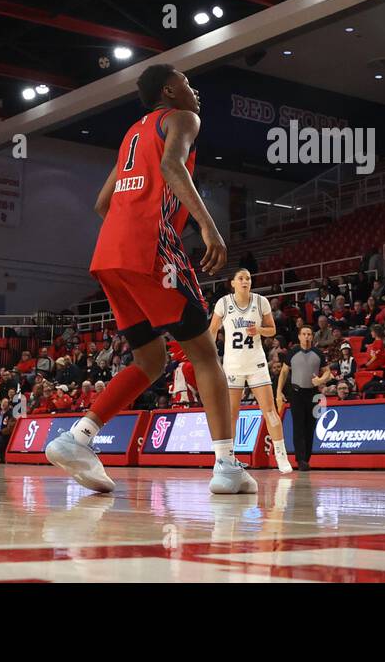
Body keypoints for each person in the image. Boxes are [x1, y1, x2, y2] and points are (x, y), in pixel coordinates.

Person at [46, 64, 254, 495]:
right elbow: (172, 166)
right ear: (169, 90)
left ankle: (77, 439)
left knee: (151, 360)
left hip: (109, 253)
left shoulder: (131, 134)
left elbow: (104, 203)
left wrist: (132, 225)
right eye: (187, 82)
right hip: (149, 249)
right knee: (204, 354)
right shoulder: (182, 118)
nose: (193, 90)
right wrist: (208, 227)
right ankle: (227, 465)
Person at [208, 268, 291, 474]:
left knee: (270, 411)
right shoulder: (224, 303)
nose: (245, 281)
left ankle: (281, 455)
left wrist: (260, 330)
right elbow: (212, 331)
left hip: (256, 364)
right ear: (233, 283)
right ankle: (229, 458)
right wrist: (211, 359)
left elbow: (272, 330)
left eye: (248, 278)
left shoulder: (260, 301)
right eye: (241, 278)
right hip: (233, 366)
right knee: (231, 415)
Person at [276, 326, 329, 471]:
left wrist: (320, 380)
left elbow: (327, 372)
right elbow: (284, 372)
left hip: (313, 394)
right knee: (298, 426)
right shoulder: (292, 352)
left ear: (312, 337)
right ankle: (300, 460)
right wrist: (278, 391)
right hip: (296, 393)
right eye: (304, 334)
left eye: (309, 334)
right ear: (299, 336)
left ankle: (306, 458)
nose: (307, 337)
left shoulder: (318, 353)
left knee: (310, 426)